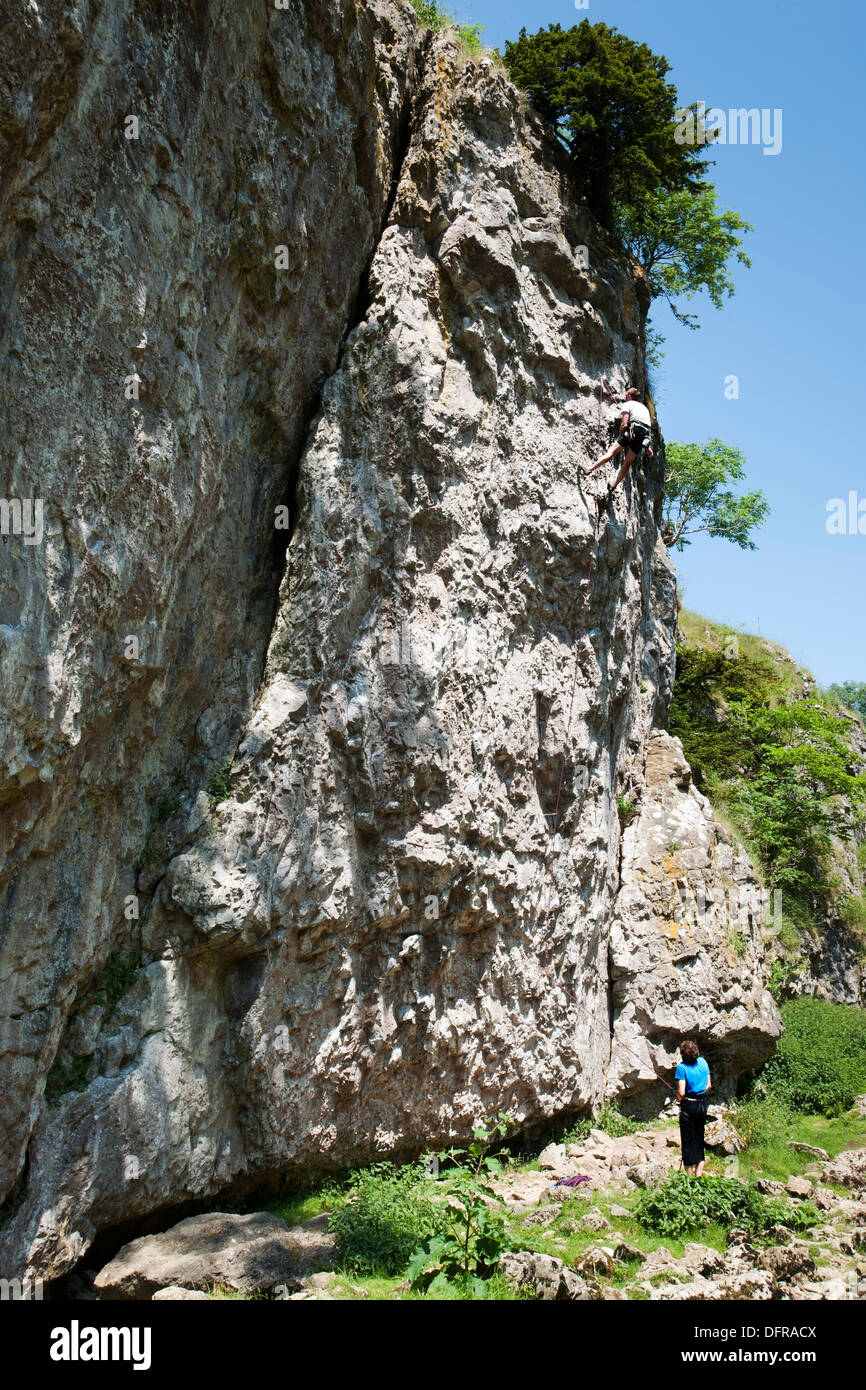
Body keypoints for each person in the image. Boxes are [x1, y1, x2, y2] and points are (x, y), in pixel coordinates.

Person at [586, 387, 652, 489]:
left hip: (634, 429)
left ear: (630, 396)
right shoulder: (645, 409)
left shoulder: (628, 404)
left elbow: (624, 424)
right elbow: (647, 427)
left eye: (626, 394)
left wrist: (620, 435)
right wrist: (648, 447)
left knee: (612, 451)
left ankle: (589, 469)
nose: (625, 396)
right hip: (644, 435)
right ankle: (614, 485)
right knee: (627, 462)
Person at [675, 1039, 711, 1176]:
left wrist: (678, 1099)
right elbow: (708, 1086)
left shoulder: (682, 1068)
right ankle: (699, 1175)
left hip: (688, 1107)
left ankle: (689, 1180)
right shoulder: (703, 1062)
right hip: (702, 1105)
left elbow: (682, 1092)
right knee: (699, 1138)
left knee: (688, 1141)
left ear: (683, 1054)